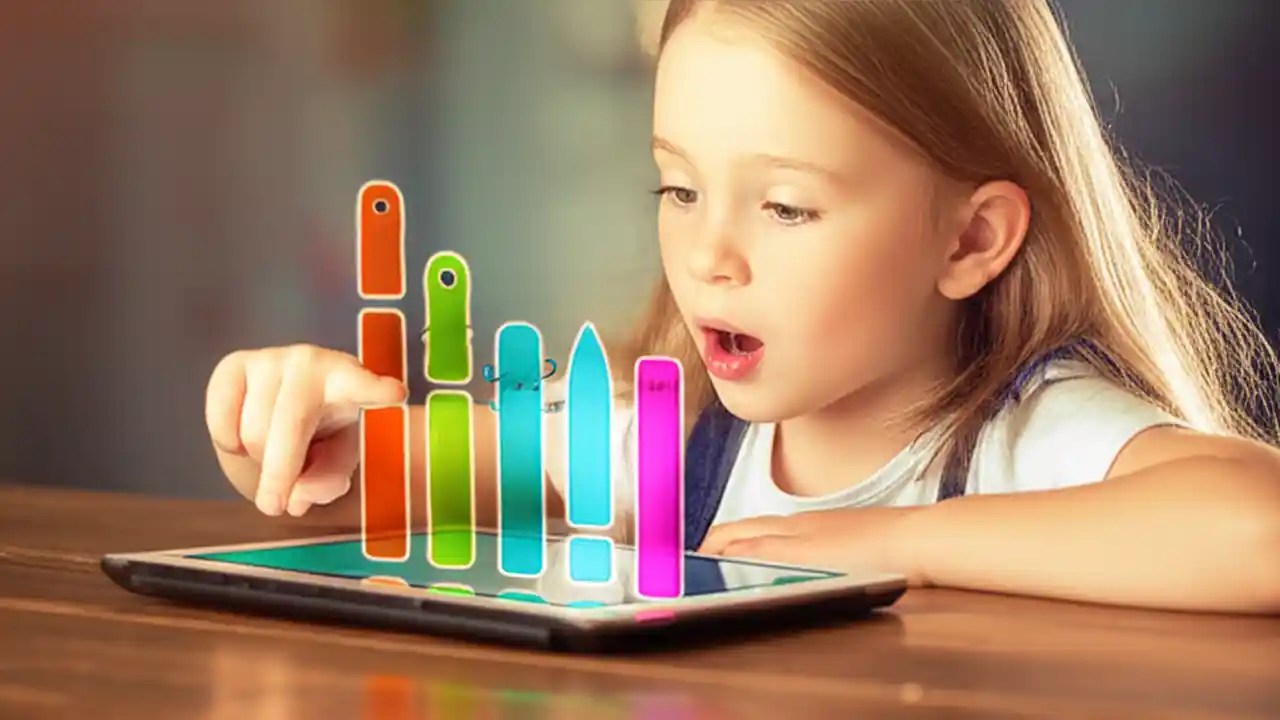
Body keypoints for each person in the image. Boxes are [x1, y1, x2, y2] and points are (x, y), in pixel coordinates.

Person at [205, 0, 1280, 614]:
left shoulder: (1023, 437)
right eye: (676, 189)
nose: (705, 254)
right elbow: (382, 488)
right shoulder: (674, 442)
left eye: (783, 205)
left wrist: (885, 541)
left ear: (968, 240)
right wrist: (307, 430)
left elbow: (1257, 529)